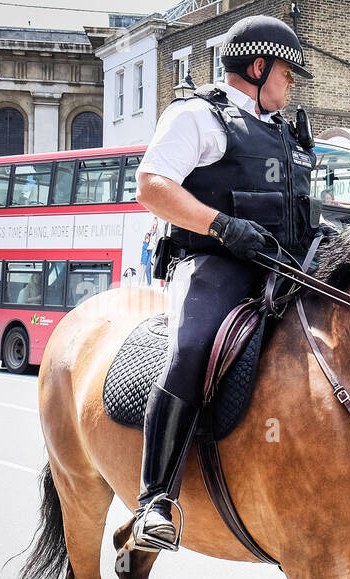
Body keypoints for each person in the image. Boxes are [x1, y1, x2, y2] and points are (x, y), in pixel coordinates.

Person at [131, 14, 317, 551]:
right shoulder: (197, 116)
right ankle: (155, 500)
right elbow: (151, 186)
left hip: (287, 265)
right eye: (286, 73)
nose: (291, 84)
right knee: (189, 348)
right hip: (214, 263)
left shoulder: (286, 131)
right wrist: (222, 226)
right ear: (258, 68)